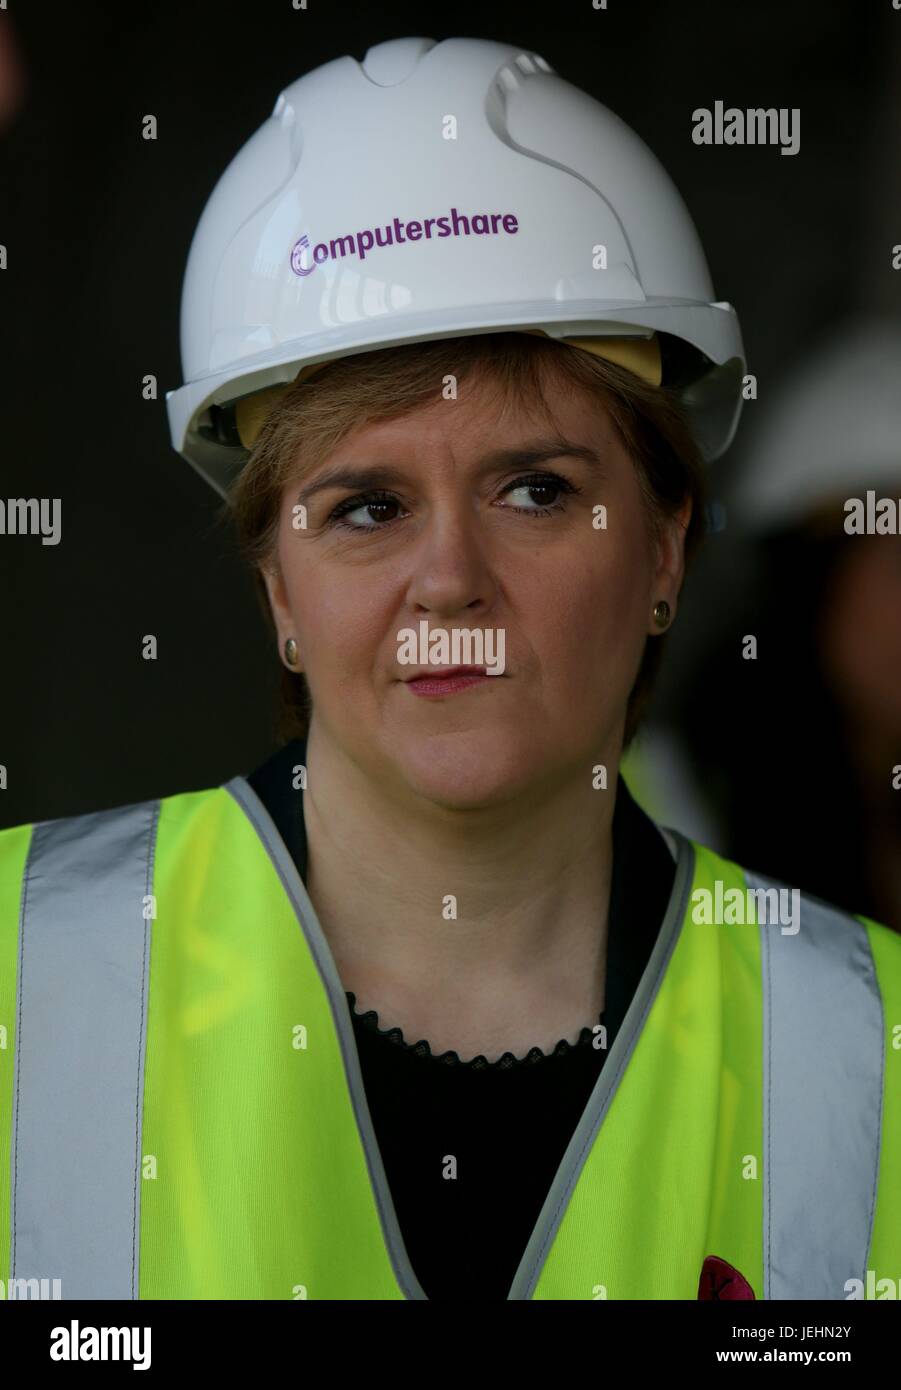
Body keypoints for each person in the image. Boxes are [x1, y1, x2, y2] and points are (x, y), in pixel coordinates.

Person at [1, 35, 899, 1303]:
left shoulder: (874, 1046)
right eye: (367, 507)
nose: (448, 578)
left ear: (664, 545)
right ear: (278, 592)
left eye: (535, 489)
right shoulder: (16, 974)